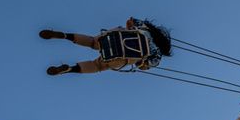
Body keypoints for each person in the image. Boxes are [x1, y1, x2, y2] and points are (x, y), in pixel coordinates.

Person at [40, 18, 171, 75]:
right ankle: (69, 69)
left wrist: (131, 28)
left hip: (113, 37)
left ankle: (64, 35)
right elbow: (143, 66)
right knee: (96, 66)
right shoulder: (157, 56)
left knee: (92, 42)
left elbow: (130, 21)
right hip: (122, 57)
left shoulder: (145, 27)